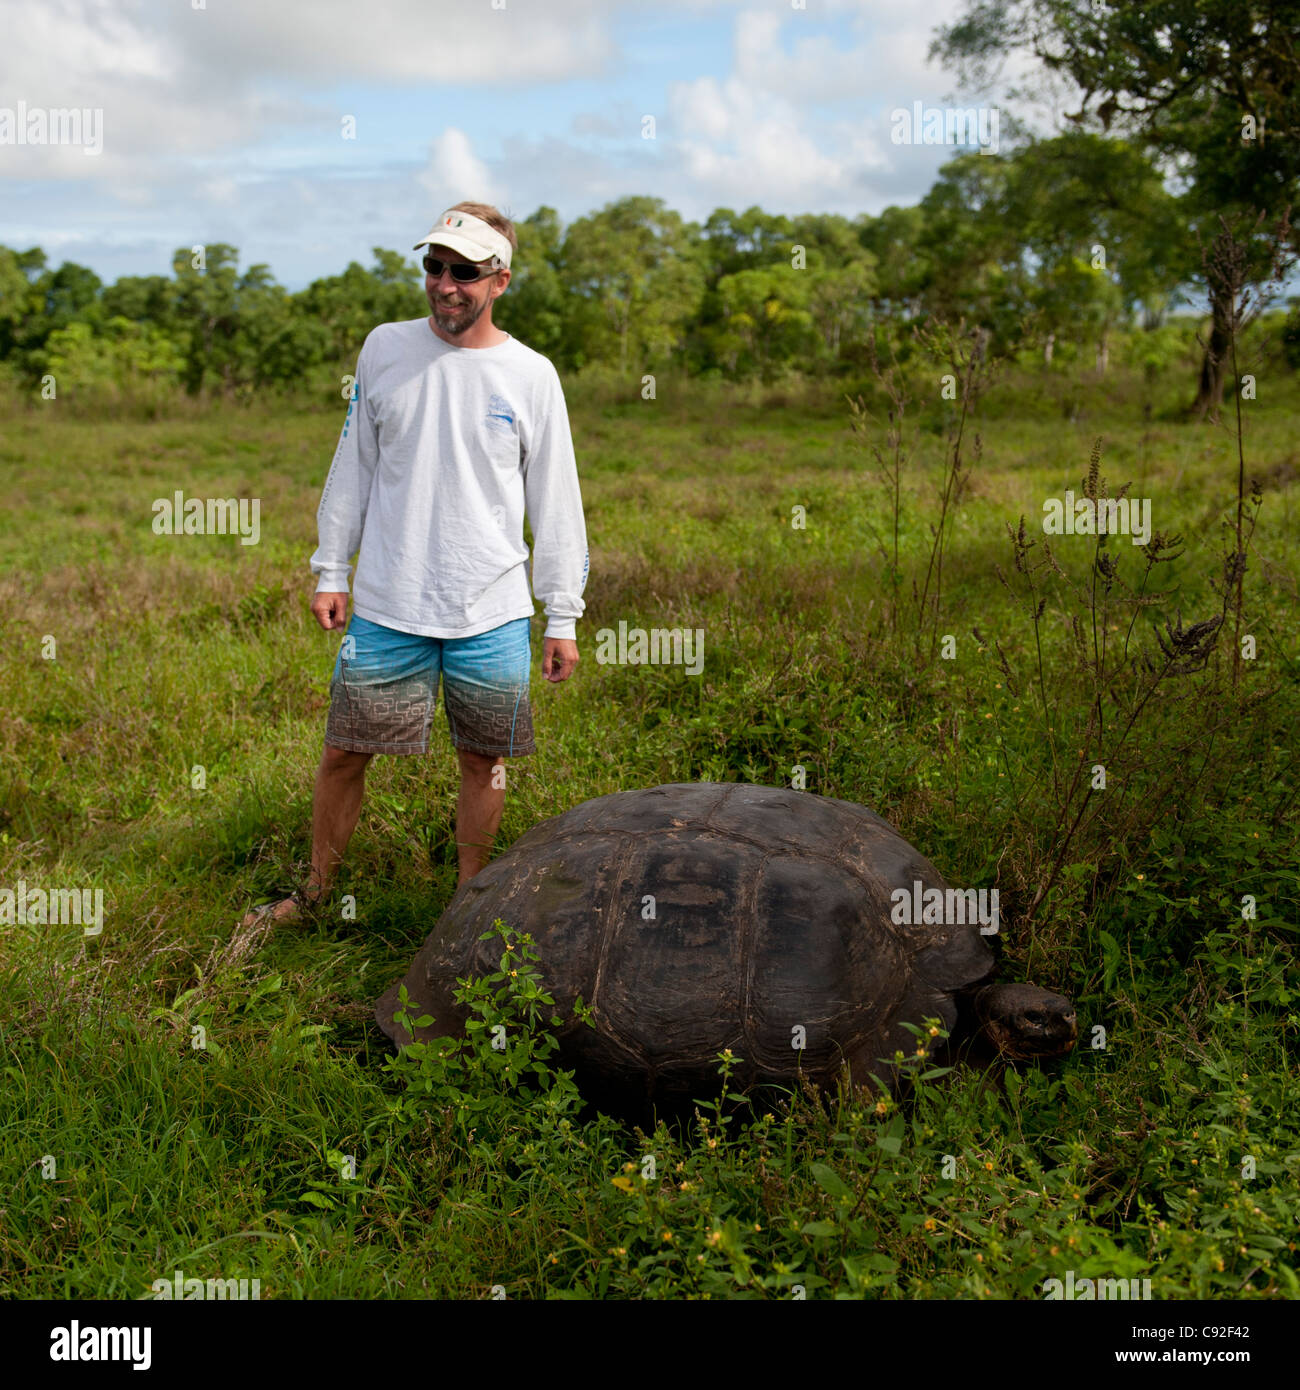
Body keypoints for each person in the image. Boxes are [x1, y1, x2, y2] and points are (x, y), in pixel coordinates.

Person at [242, 202, 588, 927]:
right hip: (390, 601)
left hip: (490, 608)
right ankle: (312, 895)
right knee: (344, 753)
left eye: (465, 271)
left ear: (501, 281)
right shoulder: (385, 348)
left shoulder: (531, 375)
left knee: (482, 761)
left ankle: (467, 906)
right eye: (434, 266)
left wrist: (563, 613)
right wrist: (331, 568)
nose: (445, 284)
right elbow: (354, 465)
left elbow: (556, 498)